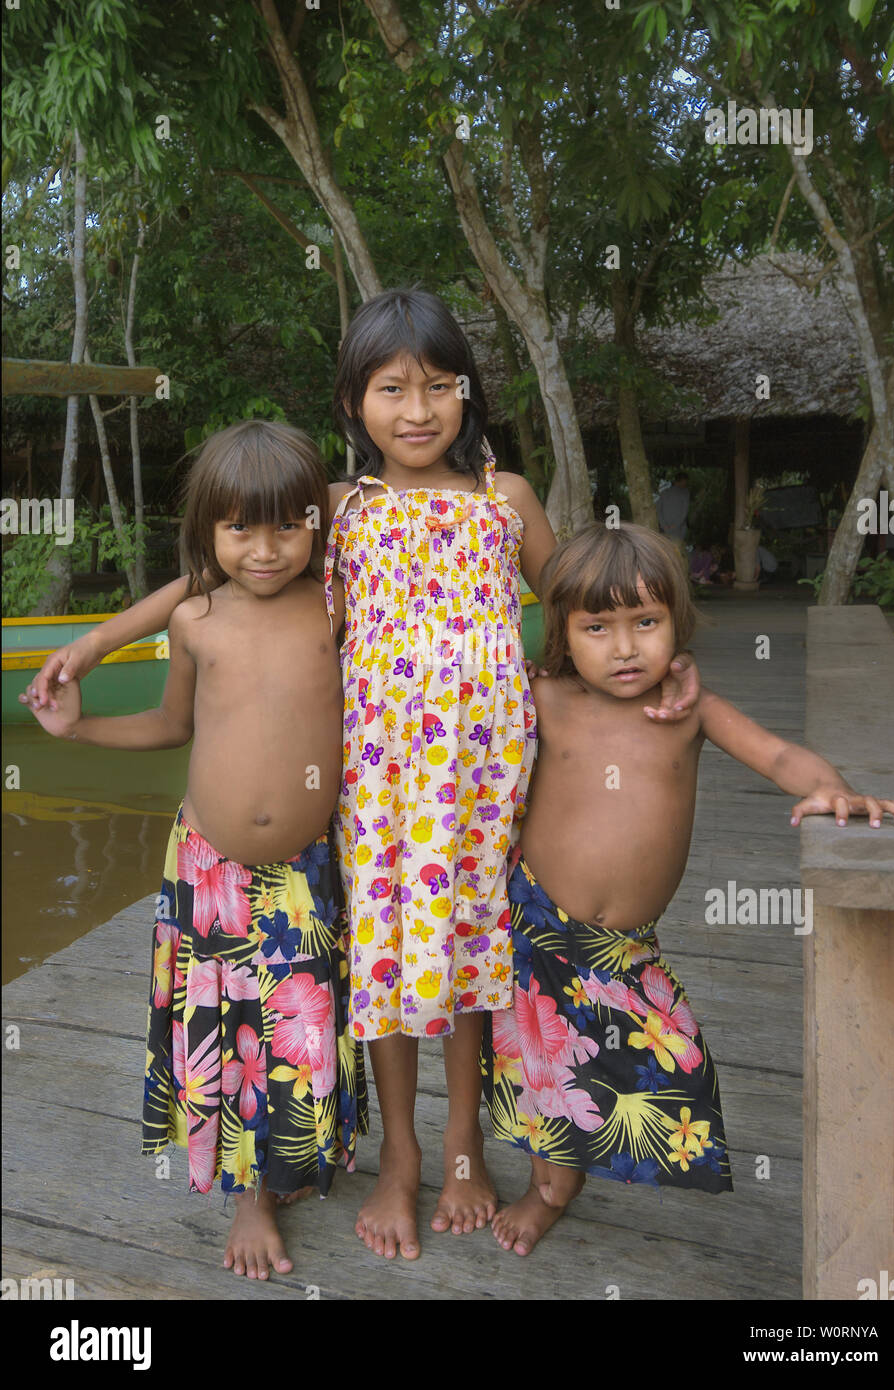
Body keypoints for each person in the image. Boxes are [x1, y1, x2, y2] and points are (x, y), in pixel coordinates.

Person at [23, 288, 702, 1263]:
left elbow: (582, 604)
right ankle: (401, 1156)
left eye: (438, 387)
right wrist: (91, 644)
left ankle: (465, 1144)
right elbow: (203, 584)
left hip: (483, 789)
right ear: (353, 402)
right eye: (392, 388)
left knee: (471, 964)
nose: (417, 410)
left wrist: (652, 669)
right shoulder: (336, 510)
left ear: (468, 395)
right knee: (385, 969)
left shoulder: (503, 500)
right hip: (376, 794)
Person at [481, 520, 894, 1257]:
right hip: (537, 923)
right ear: (562, 633)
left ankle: (587, 1165)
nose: (623, 648)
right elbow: (483, 658)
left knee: (674, 1061)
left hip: (624, 950)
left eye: (645, 623)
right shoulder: (544, 698)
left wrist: (835, 791)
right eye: (597, 627)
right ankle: (549, 1188)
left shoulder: (688, 712)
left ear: (676, 624)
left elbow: (778, 755)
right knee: (543, 1068)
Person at [22, 421, 368, 1280]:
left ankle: (290, 1166)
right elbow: (172, 726)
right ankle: (250, 1197)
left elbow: (367, 509)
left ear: (316, 524)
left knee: (302, 1025)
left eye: (288, 524)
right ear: (207, 534)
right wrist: (83, 725)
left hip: (306, 869)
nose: (264, 548)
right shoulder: (196, 619)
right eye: (239, 528)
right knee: (231, 1027)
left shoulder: (336, 603)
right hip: (207, 868)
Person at [656, 471, 690, 545]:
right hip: (670, 529)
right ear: (680, 481)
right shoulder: (665, 490)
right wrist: (665, 526)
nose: (686, 484)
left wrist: (668, 526)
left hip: (675, 529)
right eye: (685, 481)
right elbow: (658, 509)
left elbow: (684, 512)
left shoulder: (685, 492)